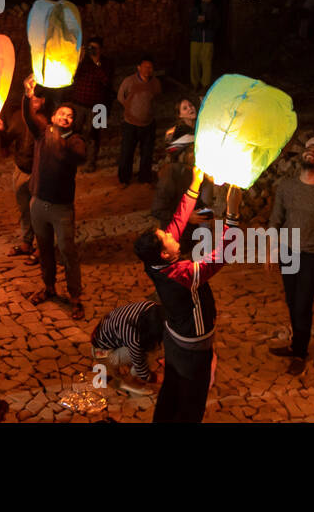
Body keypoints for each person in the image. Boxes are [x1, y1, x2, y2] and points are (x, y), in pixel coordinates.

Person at [135, 167, 242, 421]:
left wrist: (194, 185)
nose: (172, 235)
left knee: (171, 389)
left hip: (173, 338)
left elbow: (178, 220)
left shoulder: (153, 263)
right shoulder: (181, 275)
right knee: (192, 404)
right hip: (193, 349)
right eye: (166, 238)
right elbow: (224, 254)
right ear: (165, 253)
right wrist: (233, 213)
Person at [268, 141, 314, 375]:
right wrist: (270, 250)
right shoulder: (286, 187)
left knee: (302, 303)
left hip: (312, 254)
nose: (312, 152)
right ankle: (295, 344)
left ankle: (300, 351)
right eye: (308, 149)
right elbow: (275, 220)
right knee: (292, 300)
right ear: (301, 157)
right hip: (288, 252)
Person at [22, 84, 88, 319]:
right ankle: (49, 287)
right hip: (38, 203)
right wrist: (27, 95)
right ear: (53, 116)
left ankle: (75, 297)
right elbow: (29, 116)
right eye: (62, 113)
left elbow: (79, 158)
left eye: (70, 116)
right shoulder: (43, 132)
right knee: (45, 249)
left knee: (67, 251)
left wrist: (61, 138)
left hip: (61, 208)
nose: (65, 117)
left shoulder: (76, 142)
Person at [0, 82, 37, 261]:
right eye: (31, 93)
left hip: (40, 172)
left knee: (41, 211)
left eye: (37, 93)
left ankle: (43, 248)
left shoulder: (49, 119)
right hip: (21, 168)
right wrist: (1, 131)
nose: (34, 97)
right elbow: (8, 138)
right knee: (24, 210)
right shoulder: (19, 118)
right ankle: (27, 242)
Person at [90, 301, 166, 395]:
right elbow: (139, 364)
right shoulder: (135, 338)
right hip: (101, 353)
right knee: (150, 351)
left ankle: (124, 366)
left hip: (105, 338)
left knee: (147, 348)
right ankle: (129, 383)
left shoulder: (149, 306)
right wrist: (154, 377)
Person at [67, 38, 113, 171]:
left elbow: (106, 81)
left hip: (99, 106)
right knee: (75, 132)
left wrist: (96, 63)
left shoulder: (107, 63)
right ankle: (74, 158)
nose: (91, 50)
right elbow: (71, 76)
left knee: (95, 135)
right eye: (90, 47)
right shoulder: (82, 62)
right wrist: (78, 59)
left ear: (100, 50)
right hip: (79, 103)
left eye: (95, 48)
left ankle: (91, 162)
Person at [116, 55, 162, 186]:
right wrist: (130, 108)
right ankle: (124, 178)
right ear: (139, 68)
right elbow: (120, 96)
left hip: (148, 123)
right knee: (127, 152)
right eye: (145, 67)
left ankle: (144, 178)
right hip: (130, 124)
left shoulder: (155, 83)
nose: (148, 70)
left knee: (147, 153)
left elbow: (157, 98)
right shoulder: (129, 81)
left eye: (150, 67)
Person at [188, 0, 218, 93]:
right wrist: (197, 22)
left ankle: (205, 85)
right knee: (194, 62)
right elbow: (190, 22)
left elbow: (217, 24)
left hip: (208, 39)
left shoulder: (214, 10)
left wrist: (207, 22)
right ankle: (194, 84)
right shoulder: (195, 9)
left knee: (206, 63)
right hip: (196, 39)